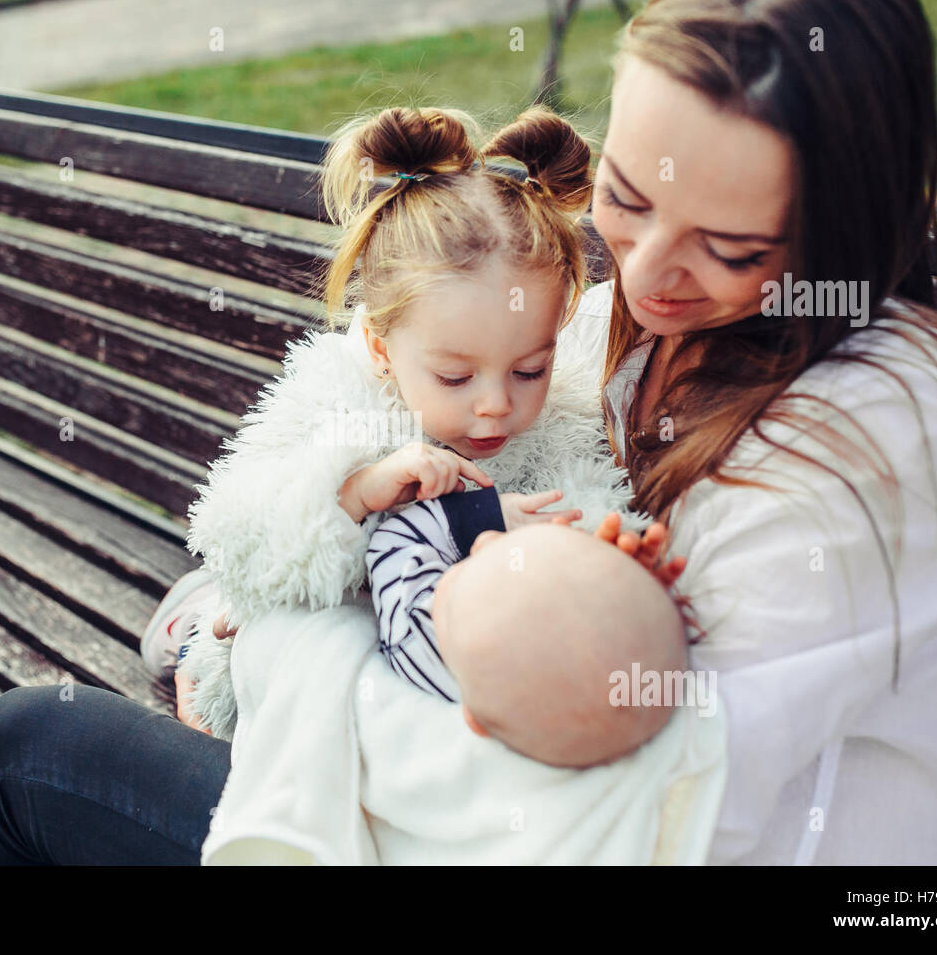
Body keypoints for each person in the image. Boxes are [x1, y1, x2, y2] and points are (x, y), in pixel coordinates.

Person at [0, 0, 937, 866]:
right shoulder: (630, 328)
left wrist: (289, 641)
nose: (639, 270)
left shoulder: (875, 449)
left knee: (31, 751)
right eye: (624, 198)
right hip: (463, 785)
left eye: (728, 247)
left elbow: (616, 804)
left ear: (848, 227)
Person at [156, 104, 652, 739]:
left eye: (530, 369)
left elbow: (589, 513)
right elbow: (238, 530)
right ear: (385, 349)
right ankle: (185, 619)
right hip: (264, 681)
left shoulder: (565, 421)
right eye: (455, 377)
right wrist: (356, 492)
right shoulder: (342, 399)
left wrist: (614, 562)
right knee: (197, 624)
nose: (496, 404)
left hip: (418, 703)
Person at [366, 495, 688, 768]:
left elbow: (391, 540)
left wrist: (487, 513)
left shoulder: (415, 634)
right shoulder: (543, 724)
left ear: (475, 721)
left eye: (469, 567)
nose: (483, 541)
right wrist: (625, 607)